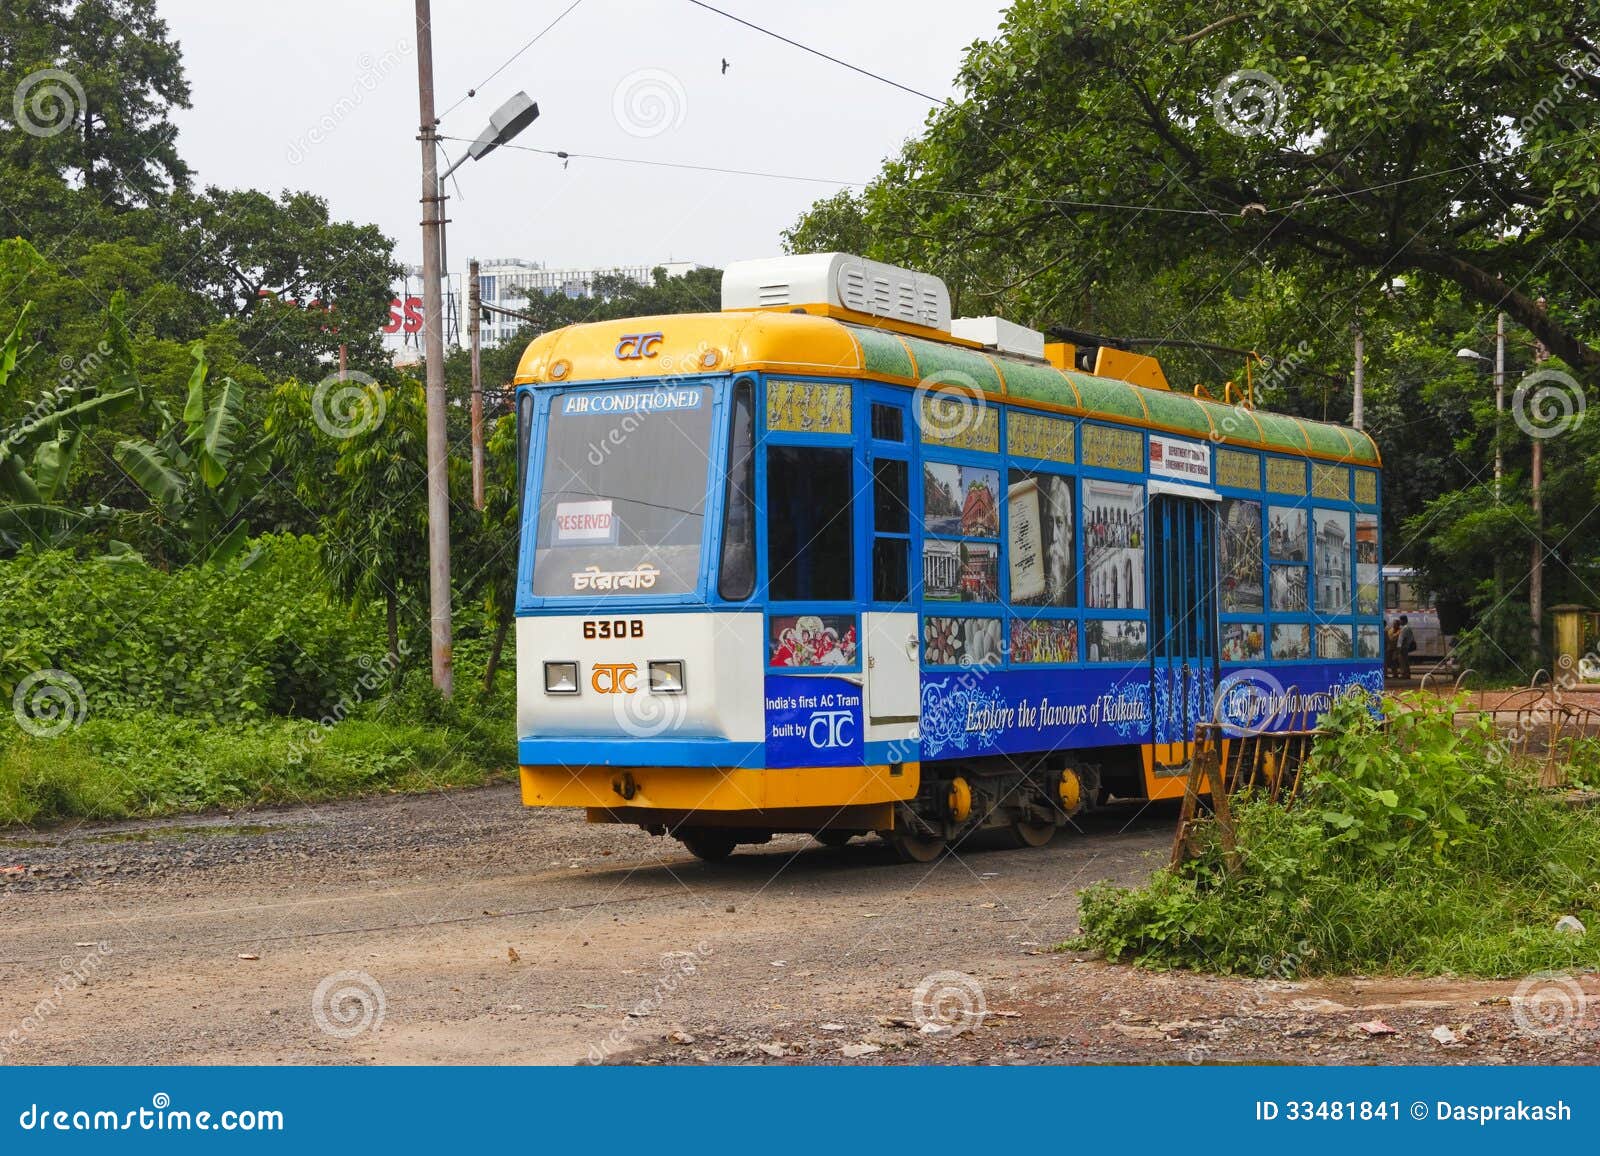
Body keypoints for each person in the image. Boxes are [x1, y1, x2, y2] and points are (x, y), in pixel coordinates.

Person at [1396, 614, 1416, 679]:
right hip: (1404, 647)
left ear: (1403, 620)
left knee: (1403, 661)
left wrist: (1400, 647)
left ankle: (1404, 674)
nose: (1400, 622)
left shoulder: (1405, 628)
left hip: (1403, 647)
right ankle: (1406, 674)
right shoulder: (1406, 628)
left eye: (1400, 620)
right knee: (1405, 661)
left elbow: (1403, 639)